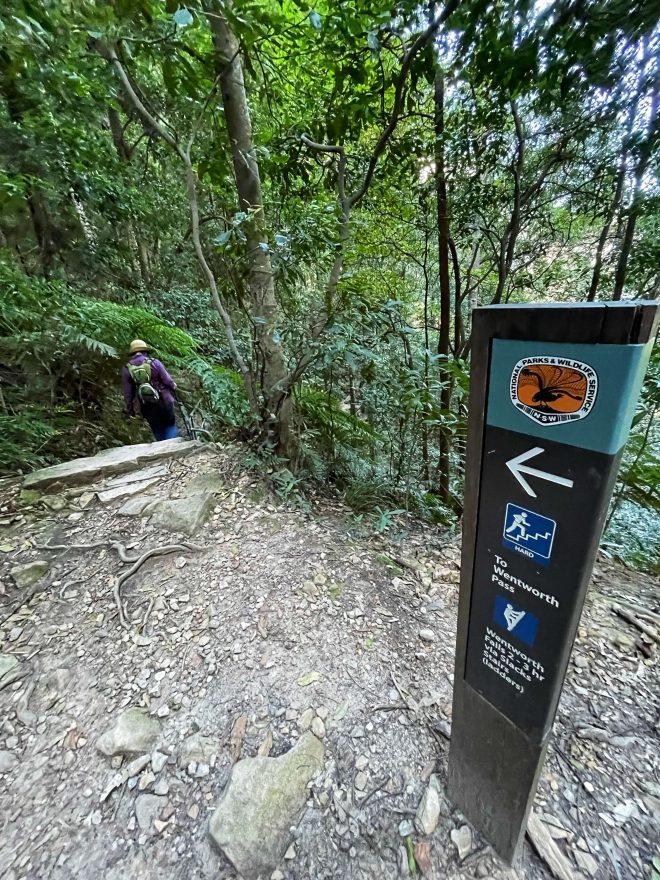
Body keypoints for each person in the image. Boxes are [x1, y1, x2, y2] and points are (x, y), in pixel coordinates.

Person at [123, 340, 178, 441]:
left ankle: (163, 450)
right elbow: (167, 380)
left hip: (146, 403)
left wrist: (130, 409)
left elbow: (128, 393)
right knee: (169, 424)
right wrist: (173, 386)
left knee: (156, 427)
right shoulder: (154, 362)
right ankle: (173, 446)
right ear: (145, 351)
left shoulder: (127, 368)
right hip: (164, 399)